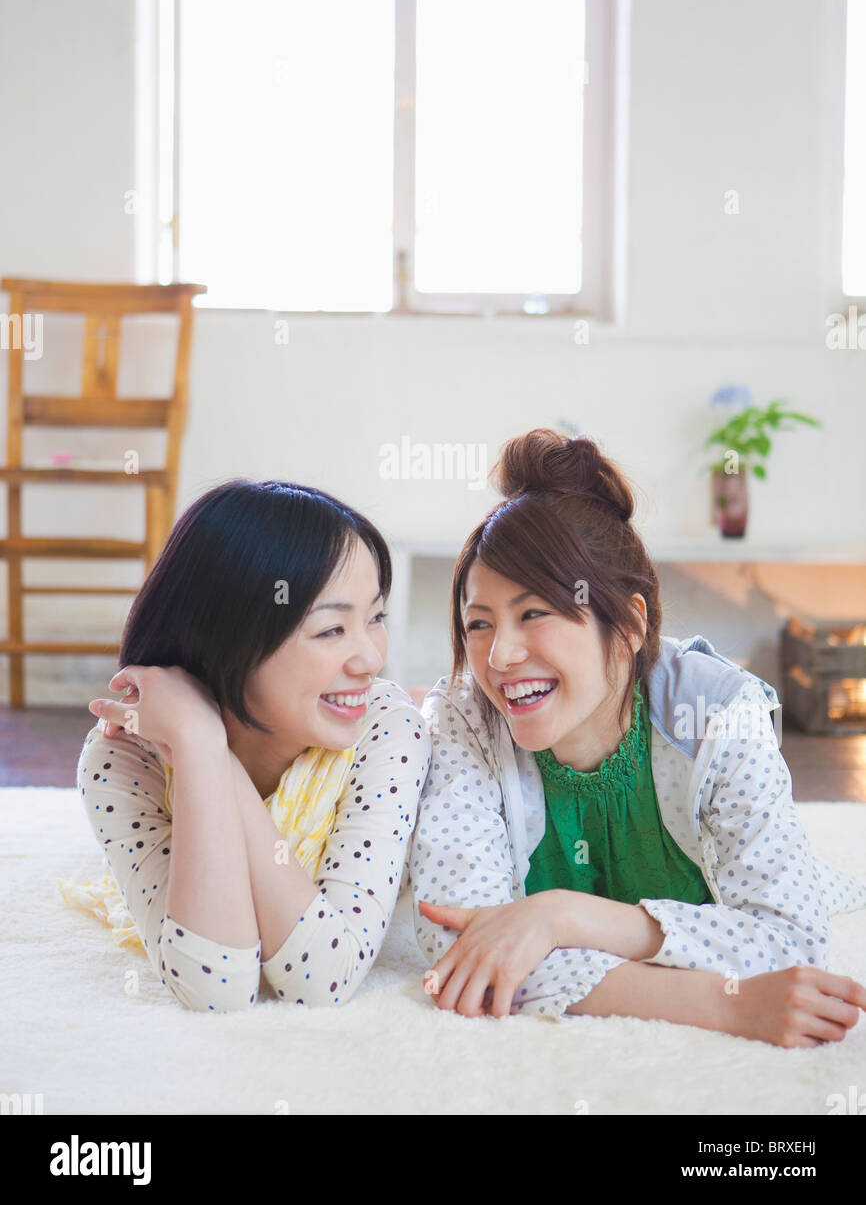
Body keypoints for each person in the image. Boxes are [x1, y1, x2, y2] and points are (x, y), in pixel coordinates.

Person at [409, 429, 866, 1047]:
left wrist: (558, 916)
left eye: (534, 613)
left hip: (755, 871)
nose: (500, 656)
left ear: (628, 623)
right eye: (478, 624)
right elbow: (466, 949)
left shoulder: (717, 713)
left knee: (827, 881)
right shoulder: (463, 720)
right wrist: (723, 1006)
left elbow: (788, 940)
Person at [64, 479, 430, 1011]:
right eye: (331, 630)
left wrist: (212, 752)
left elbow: (324, 980)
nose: (370, 658)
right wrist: (196, 742)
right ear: (228, 638)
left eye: (375, 618)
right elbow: (217, 990)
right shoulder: (120, 761)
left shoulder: (388, 730)